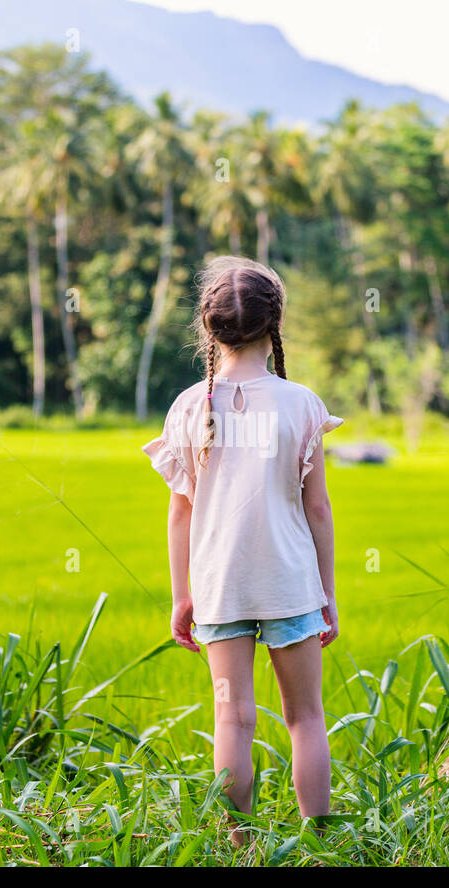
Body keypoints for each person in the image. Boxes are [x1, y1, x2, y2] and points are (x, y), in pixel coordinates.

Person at [142, 255, 342, 844]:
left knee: (232, 717)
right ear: (274, 322)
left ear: (210, 327)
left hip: (218, 589)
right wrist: (327, 594)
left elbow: (180, 511)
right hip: (291, 585)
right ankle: (318, 842)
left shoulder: (186, 406)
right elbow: (319, 510)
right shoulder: (300, 402)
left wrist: (183, 596)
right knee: (306, 718)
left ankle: (241, 843)